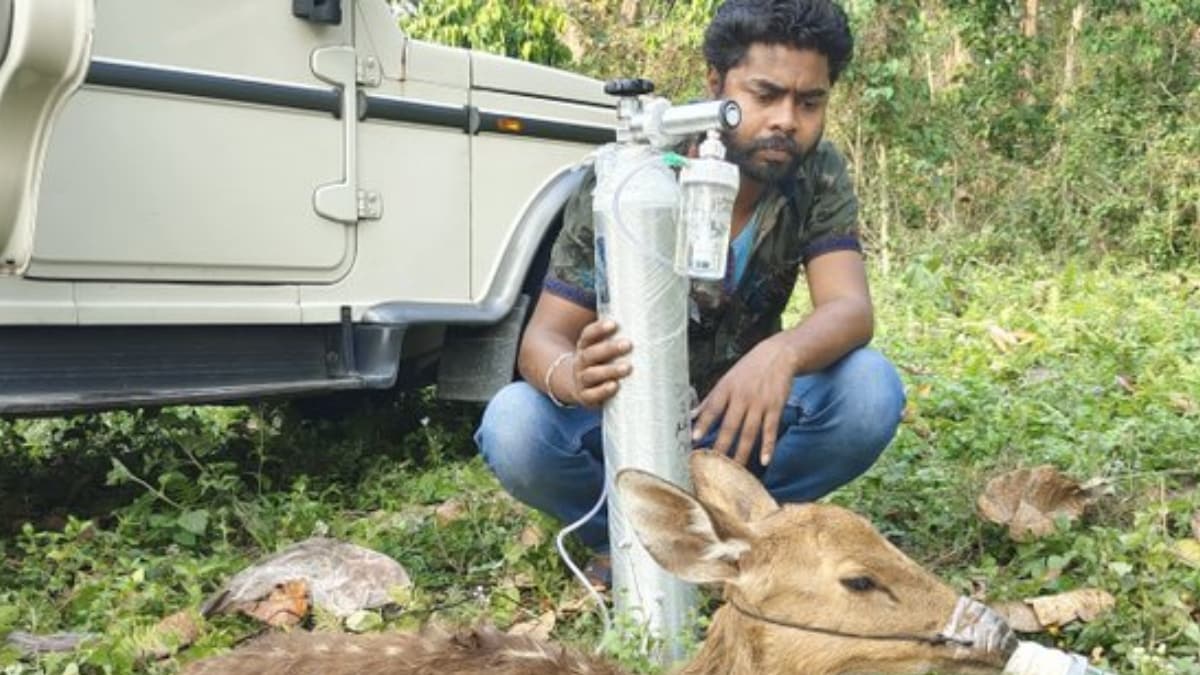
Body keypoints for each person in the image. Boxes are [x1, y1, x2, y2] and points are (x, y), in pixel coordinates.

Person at [475, 0, 905, 586]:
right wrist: (573, 375)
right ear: (714, 83)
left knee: (870, 390)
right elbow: (543, 338)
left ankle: (747, 538)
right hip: (627, 426)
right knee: (514, 425)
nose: (786, 119)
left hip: (740, 426)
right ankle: (626, 542)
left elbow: (849, 307)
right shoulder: (632, 174)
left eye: (810, 102)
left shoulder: (816, 171)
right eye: (764, 94)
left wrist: (779, 354)